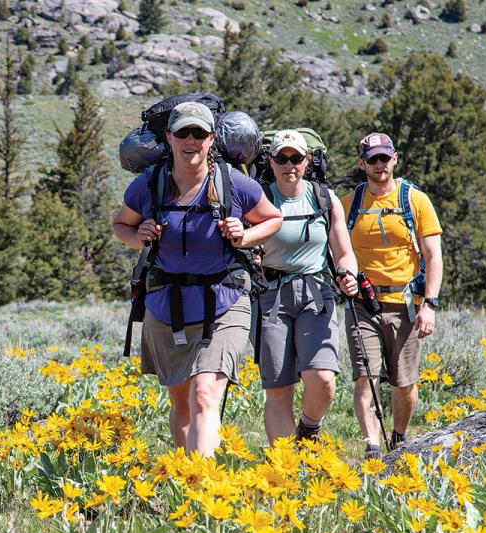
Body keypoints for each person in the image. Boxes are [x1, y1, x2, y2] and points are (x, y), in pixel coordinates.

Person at [112, 102, 283, 457]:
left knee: (204, 393)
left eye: (200, 134)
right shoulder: (150, 184)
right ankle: (185, 478)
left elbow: (272, 218)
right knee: (182, 404)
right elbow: (121, 225)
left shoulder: (233, 182)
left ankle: (201, 485)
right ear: (169, 138)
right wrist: (138, 235)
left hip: (225, 299)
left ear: (212, 139)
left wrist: (246, 236)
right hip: (166, 304)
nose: (192, 141)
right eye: (184, 134)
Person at [341, 132, 443, 457]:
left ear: (395, 159)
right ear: (362, 163)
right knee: (365, 377)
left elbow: (433, 256)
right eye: (372, 159)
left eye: (385, 158)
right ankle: (372, 445)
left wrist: (430, 304)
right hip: (363, 305)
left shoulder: (415, 200)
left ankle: (398, 437)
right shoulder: (349, 204)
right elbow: (334, 250)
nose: (379, 165)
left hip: (406, 305)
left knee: (404, 383)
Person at [255, 130, 359, 446]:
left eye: (296, 158)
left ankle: (309, 429)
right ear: (270, 162)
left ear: (307, 160)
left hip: (317, 292)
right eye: (282, 158)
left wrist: (348, 273)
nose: (290, 165)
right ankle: (287, 470)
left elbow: (343, 251)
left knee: (324, 379)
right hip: (270, 296)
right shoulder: (259, 200)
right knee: (279, 389)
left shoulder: (324, 199)